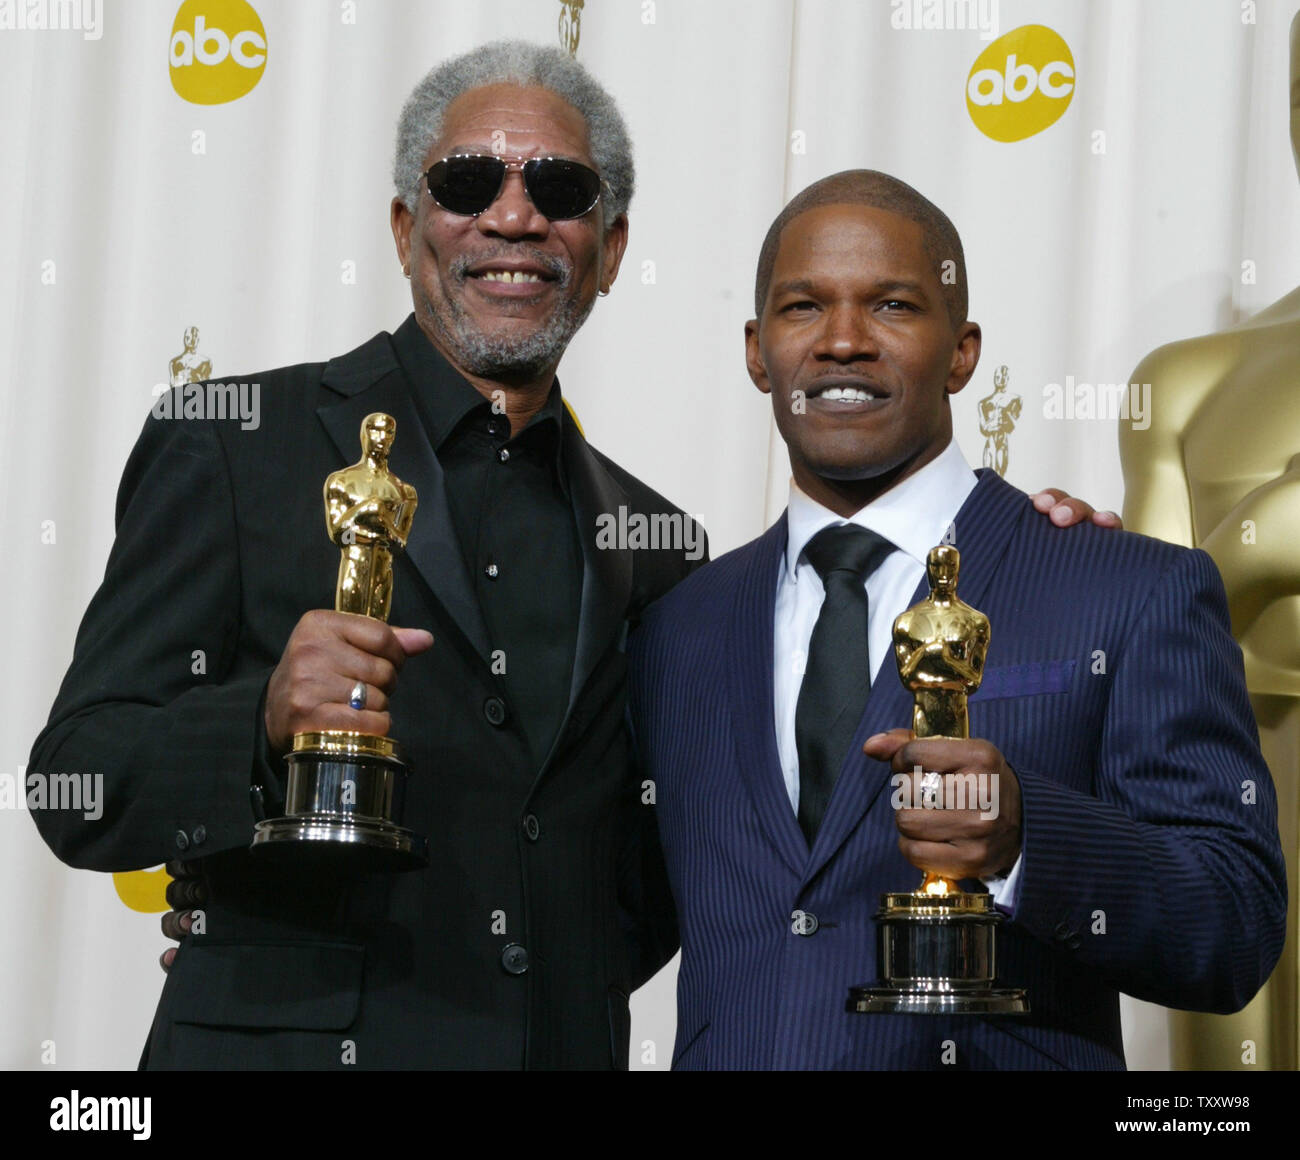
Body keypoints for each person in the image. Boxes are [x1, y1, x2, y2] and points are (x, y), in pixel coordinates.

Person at [28, 40, 697, 1071]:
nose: (512, 217)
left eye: (559, 189)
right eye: (467, 181)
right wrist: (255, 726)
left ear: (608, 249)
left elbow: (649, 880)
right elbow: (77, 778)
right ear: (405, 228)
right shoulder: (233, 438)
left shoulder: (660, 547)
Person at [626, 170, 1288, 1070]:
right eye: (802, 308)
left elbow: (1235, 922)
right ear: (756, 352)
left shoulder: (1127, 589)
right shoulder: (677, 629)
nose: (843, 341)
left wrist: (1026, 838)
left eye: (893, 306)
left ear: (962, 352)